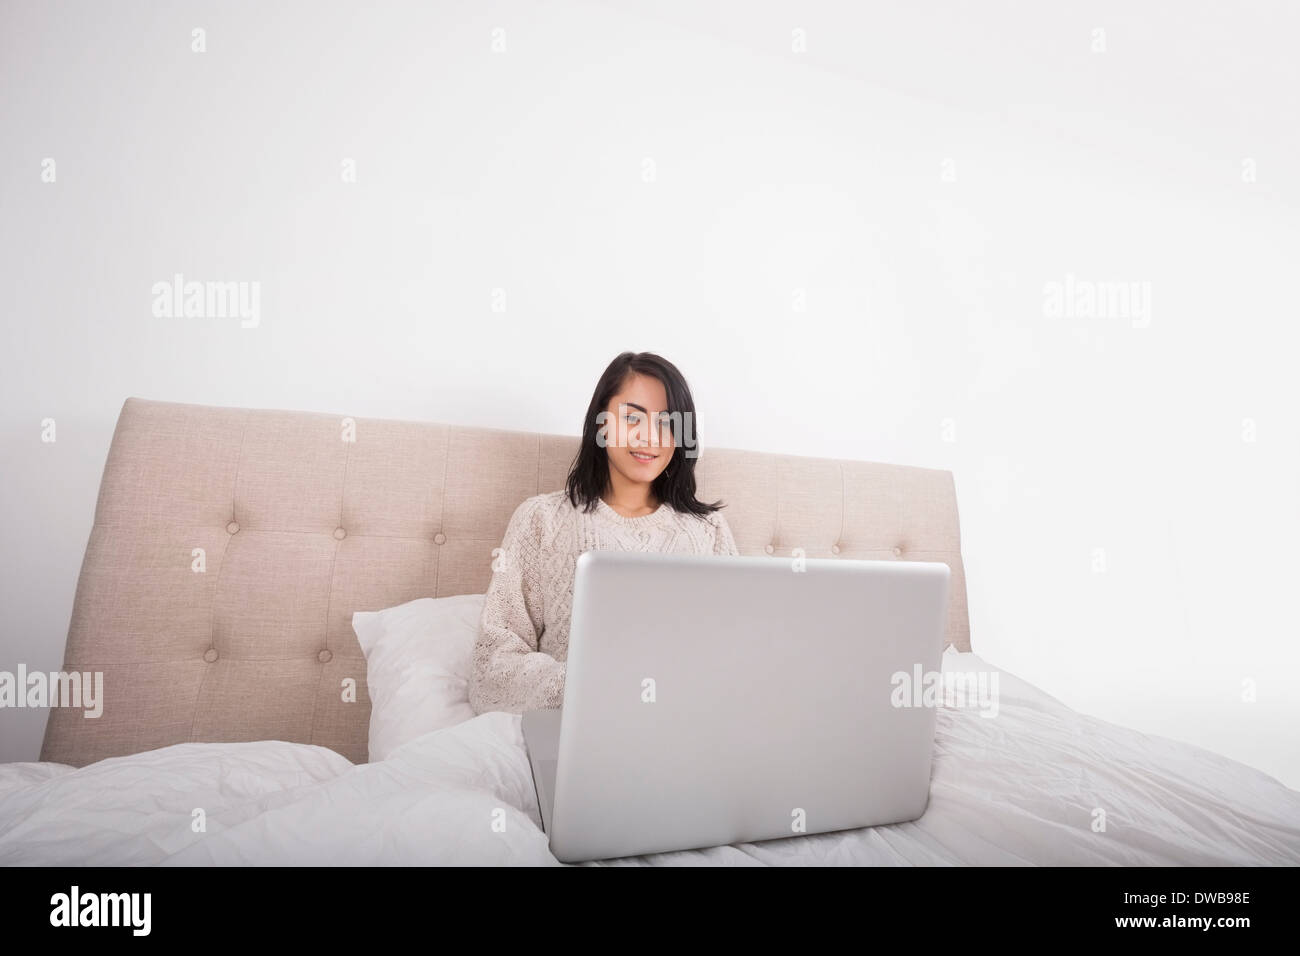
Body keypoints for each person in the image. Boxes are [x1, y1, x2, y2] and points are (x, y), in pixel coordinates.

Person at [467, 351, 739, 714]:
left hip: (689, 726)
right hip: (576, 726)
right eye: (632, 418)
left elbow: (738, 654)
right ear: (601, 425)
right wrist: (589, 686)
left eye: (667, 422)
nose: (650, 437)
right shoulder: (541, 519)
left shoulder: (709, 531)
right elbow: (493, 667)